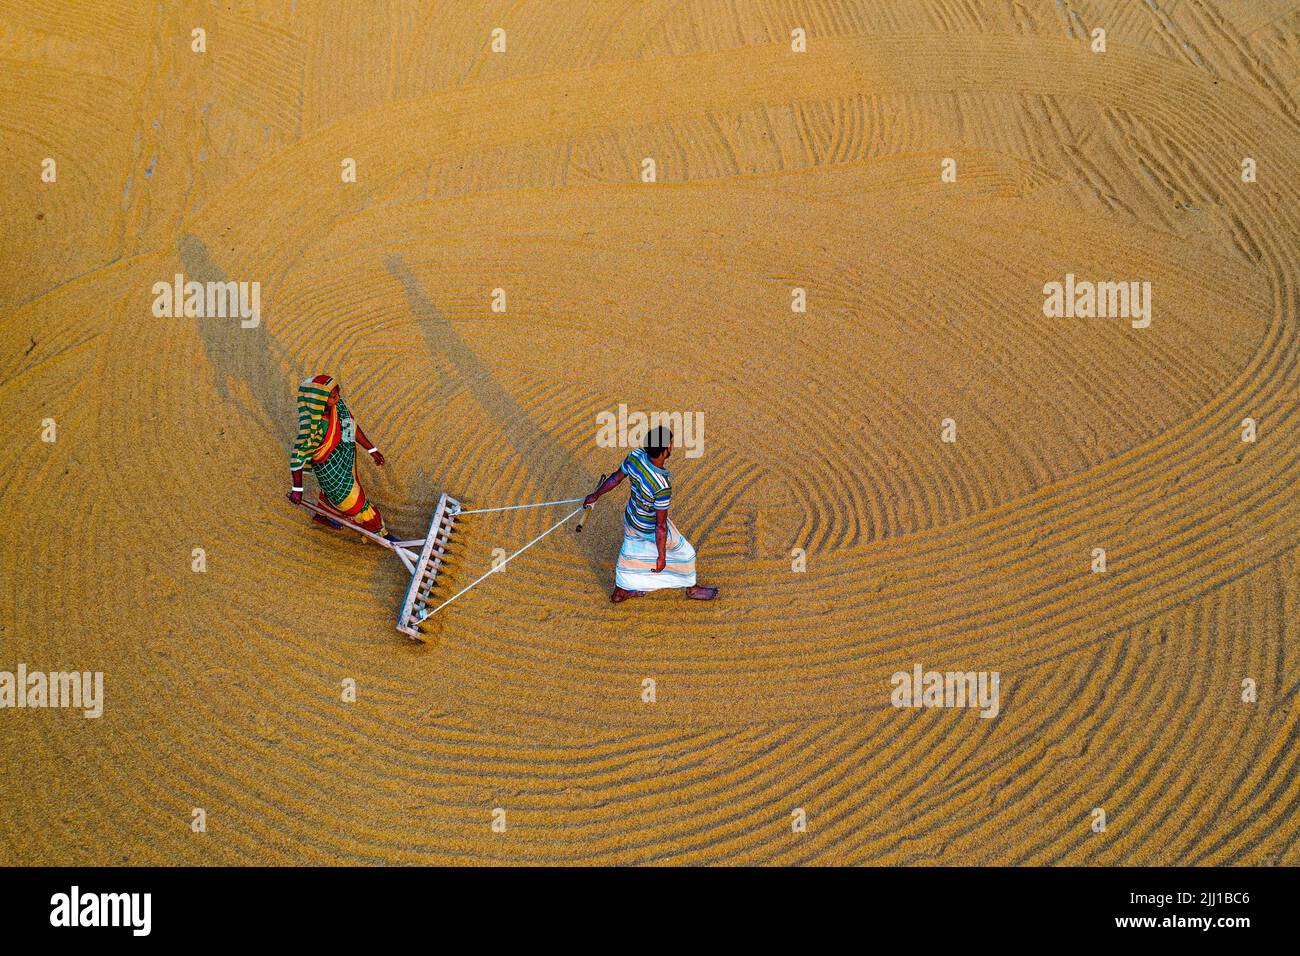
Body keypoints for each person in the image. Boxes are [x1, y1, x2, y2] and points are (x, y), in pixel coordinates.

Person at [584, 426, 718, 602]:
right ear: (665, 450)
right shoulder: (661, 486)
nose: (671, 446)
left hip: (631, 518)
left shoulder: (635, 456)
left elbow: (615, 478)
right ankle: (692, 589)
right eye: (670, 443)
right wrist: (661, 556)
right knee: (686, 553)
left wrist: (595, 495)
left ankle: (620, 592)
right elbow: (661, 526)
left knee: (629, 554)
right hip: (648, 527)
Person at [286, 374, 395, 541]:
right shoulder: (312, 429)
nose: (338, 399)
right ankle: (381, 534)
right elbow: (297, 461)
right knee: (356, 503)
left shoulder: (337, 408)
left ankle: (325, 516)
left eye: (338, 395)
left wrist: (372, 449)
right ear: (321, 400)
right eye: (333, 397)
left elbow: (349, 428)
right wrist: (297, 490)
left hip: (342, 460)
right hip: (329, 473)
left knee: (339, 497)